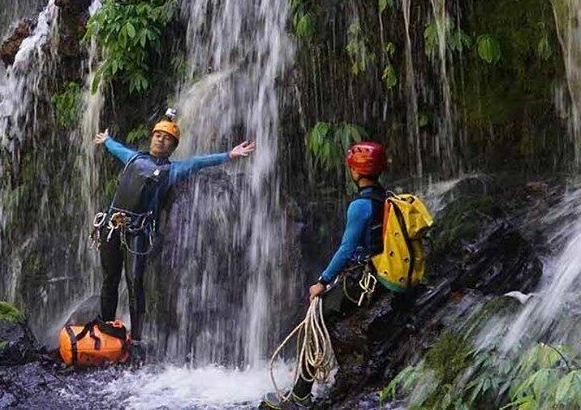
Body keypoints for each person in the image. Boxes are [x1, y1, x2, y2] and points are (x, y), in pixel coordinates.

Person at [93, 113, 255, 361]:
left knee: (135, 282)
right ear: (151, 138)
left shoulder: (174, 169)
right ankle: (106, 327)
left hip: (137, 230)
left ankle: (136, 339)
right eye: (157, 135)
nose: (160, 140)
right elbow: (118, 149)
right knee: (110, 278)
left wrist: (229, 155)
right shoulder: (133, 157)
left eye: (167, 139)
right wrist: (106, 140)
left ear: (173, 146)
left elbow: (199, 162)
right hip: (113, 226)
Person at [261, 140, 392, 409]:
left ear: (355, 170)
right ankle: (303, 389)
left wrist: (322, 281)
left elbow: (346, 249)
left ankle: (300, 396)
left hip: (365, 280)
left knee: (316, 317)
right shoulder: (386, 197)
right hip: (382, 274)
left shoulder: (360, 205)